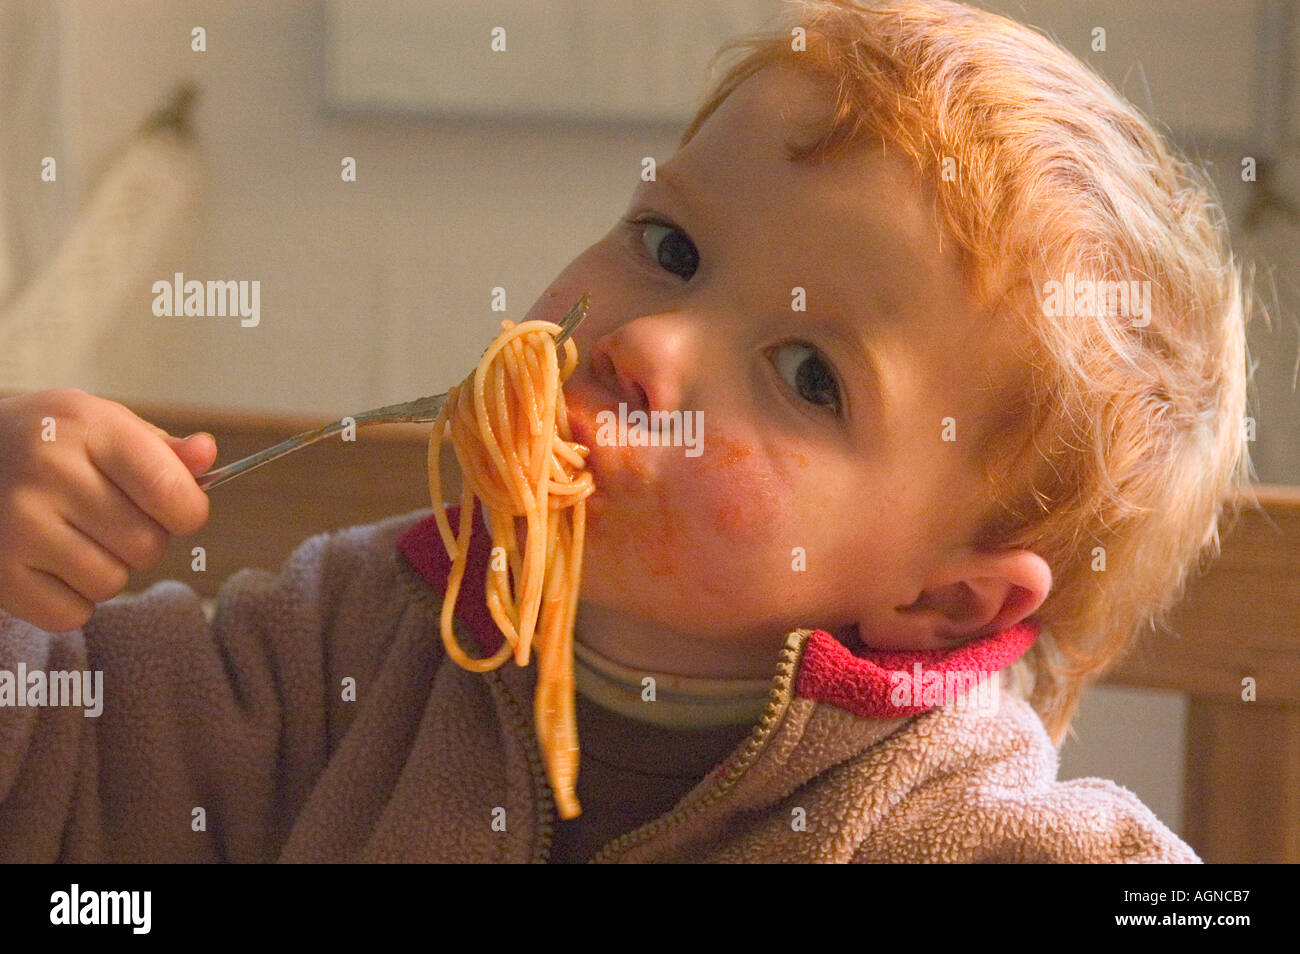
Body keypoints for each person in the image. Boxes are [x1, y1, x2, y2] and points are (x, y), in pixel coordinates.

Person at [0, 0, 1249, 862]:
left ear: (947, 604)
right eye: (672, 247)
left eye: (808, 374)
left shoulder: (960, 827)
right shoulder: (355, 640)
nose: (650, 343)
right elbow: (51, 791)